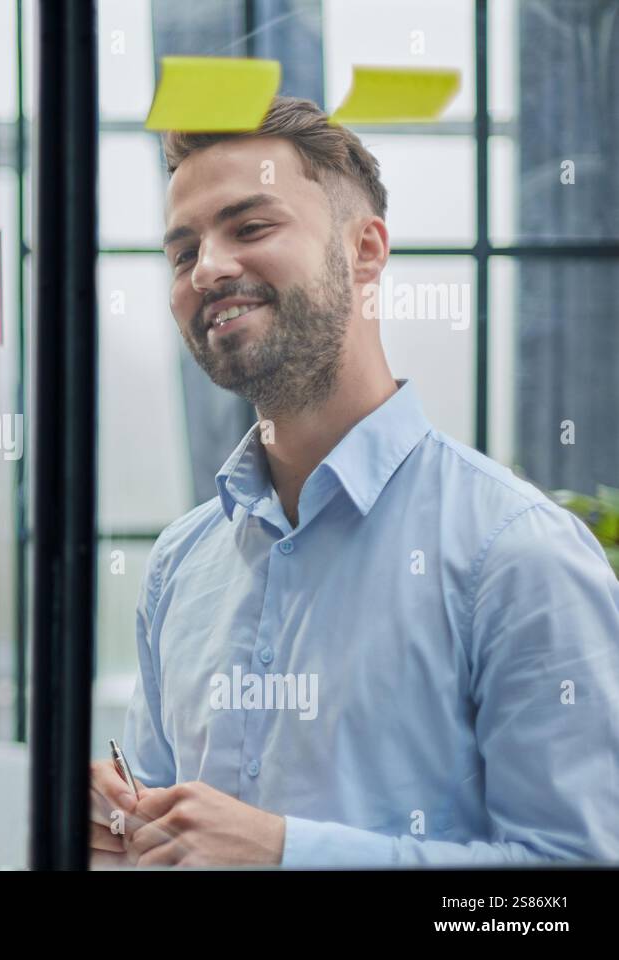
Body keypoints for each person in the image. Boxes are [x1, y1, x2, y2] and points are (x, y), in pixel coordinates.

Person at [90, 96, 619, 867]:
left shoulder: (517, 556)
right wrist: (115, 842)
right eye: (181, 252)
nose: (208, 268)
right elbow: (163, 844)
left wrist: (286, 856)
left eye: (251, 227)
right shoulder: (180, 566)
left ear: (366, 250)